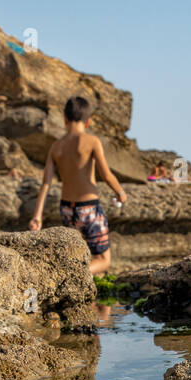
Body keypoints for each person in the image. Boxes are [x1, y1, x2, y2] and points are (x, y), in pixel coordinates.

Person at [28, 96, 128, 276]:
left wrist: (37, 215)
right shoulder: (92, 142)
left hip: (67, 210)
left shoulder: (56, 147)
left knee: (80, 255)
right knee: (103, 260)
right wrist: (120, 192)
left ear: (65, 119)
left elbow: (46, 183)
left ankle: (89, 297)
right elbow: (106, 175)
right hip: (89, 209)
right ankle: (74, 278)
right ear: (88, 121)